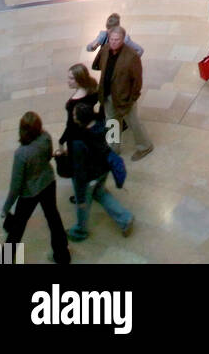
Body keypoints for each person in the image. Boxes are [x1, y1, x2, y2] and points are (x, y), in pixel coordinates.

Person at [1, 112, 70, 265]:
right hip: (48, 183)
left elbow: (15, 186)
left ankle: (5, 260)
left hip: (29, 193)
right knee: (53, 218)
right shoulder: (45, 137)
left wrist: (6, 208)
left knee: (18, 227)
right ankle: (62, 254)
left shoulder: (21, 153)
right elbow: (47, 158)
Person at [68, 100, 134, 242]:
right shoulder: (102, 125)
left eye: (74, 115)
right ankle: (125, 218)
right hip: (103, 169)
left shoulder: (79, 141)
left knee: (84, 205)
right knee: (101, 194)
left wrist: (80, 198)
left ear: (80, 119)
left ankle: (80, 231)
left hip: (89, 177)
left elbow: (79, 172)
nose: (73, 117)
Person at [92, 26, 153, 159]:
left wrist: (132, 98)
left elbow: (137, 80)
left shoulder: (131, 56)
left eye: (117, 39)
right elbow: (98, 65)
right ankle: (113, 148)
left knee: (133, 123)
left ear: (123, 40)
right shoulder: (106, 49)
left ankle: (145, 146)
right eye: (112, 39)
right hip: (108, 95)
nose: (113, 42)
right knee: (112, 121)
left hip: (125, 98)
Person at [59, 64, 98, 163]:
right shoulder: (92, 88)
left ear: (80, 80)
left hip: (76, 135)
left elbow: (70, 125)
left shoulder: (73, 103)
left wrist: (62, 140)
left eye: (71, 78)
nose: (68, 81)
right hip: (90, 130)